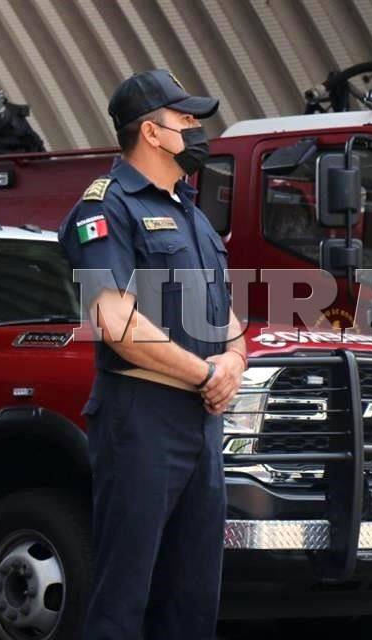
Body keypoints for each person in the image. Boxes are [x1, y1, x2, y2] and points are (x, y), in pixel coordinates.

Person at [57, 69, 246, 640]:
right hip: (140, 420)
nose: (197, 130)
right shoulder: (104, 209)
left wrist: (233, 362)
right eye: (186, 120)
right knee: (124, 600)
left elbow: (228, 319)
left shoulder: (192, 212)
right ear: (152, 131)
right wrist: (205, 372)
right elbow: (114, 322)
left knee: (192, 602)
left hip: (202, 425)